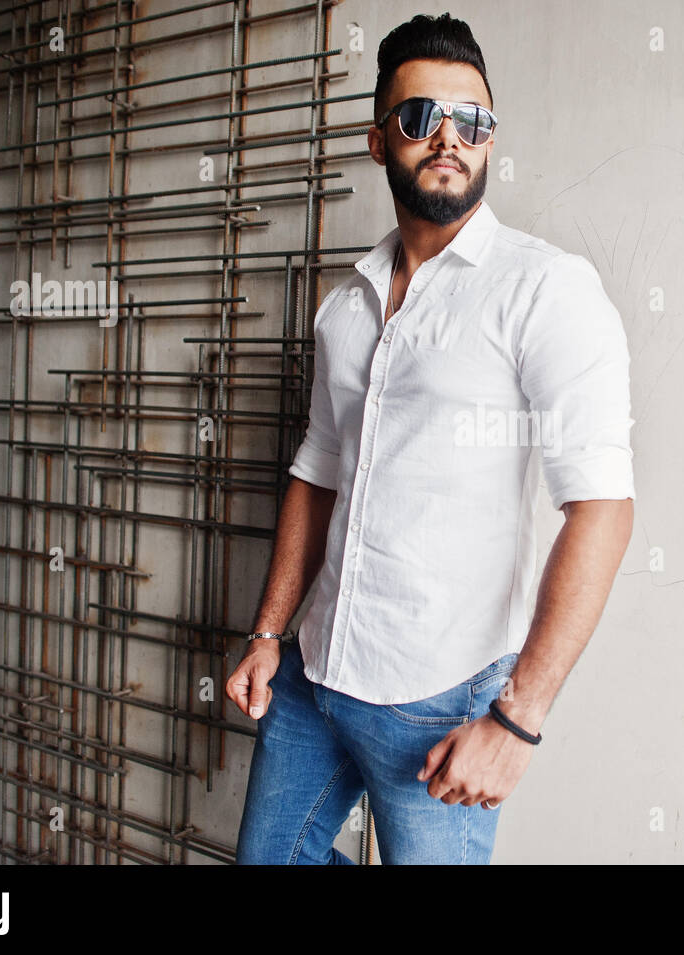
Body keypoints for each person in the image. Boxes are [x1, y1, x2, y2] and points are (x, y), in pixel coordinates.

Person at [226, 12, 635, 864]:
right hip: (315, 671)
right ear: (379, 140)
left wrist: (518, 719)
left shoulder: (545, 291)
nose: (450, 137)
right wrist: (269, 633)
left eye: (473, 120)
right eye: (421, 117)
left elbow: (600, 508)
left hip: (442, 698)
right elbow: (316, 470)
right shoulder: (346, 304)